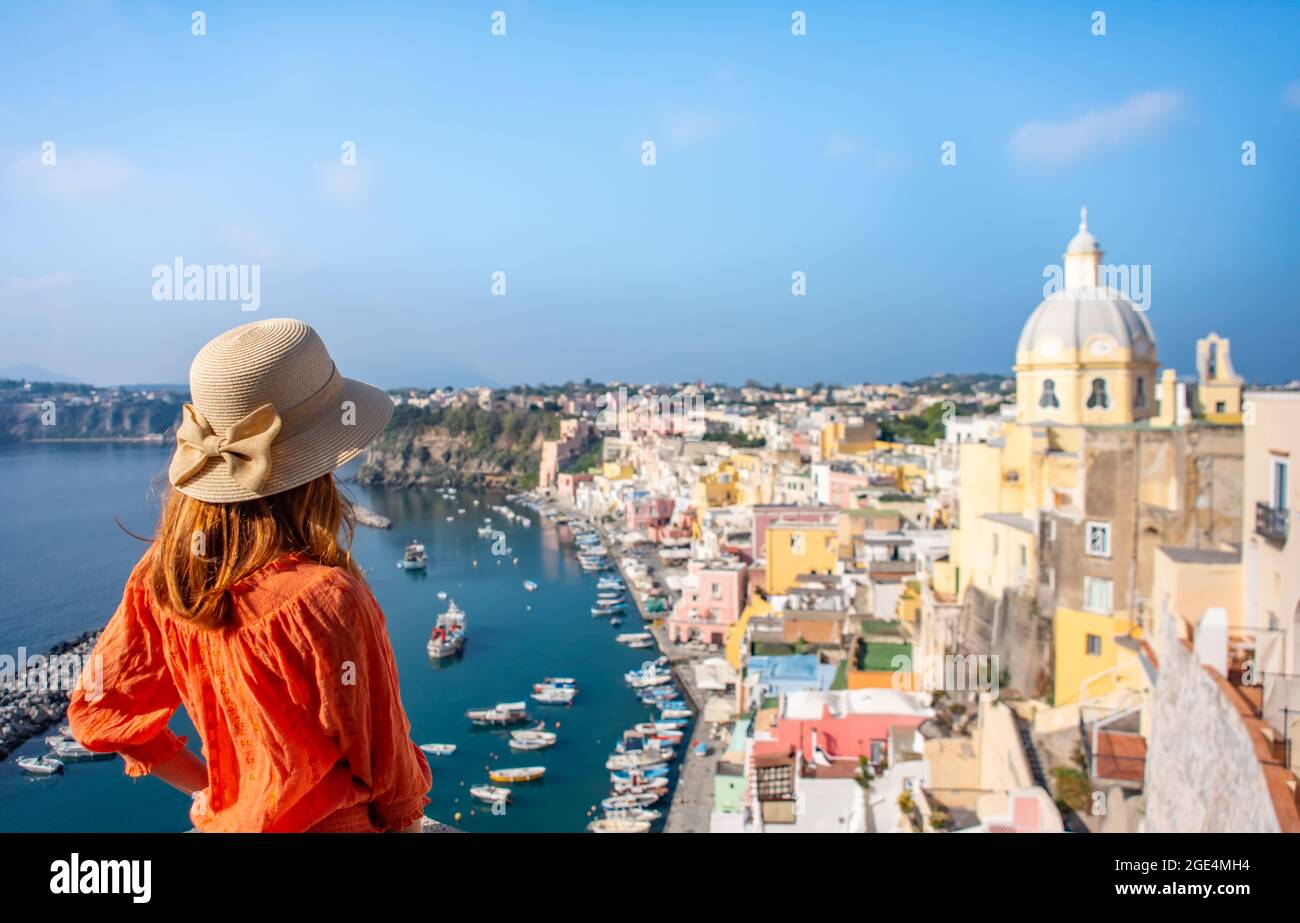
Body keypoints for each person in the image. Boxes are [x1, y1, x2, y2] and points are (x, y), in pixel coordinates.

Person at [68, 318, 431, 832]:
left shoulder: (166, 576)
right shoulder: (325, 598)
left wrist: (219, 792)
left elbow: (99, 708)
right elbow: (389, 775)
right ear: (317, 467)